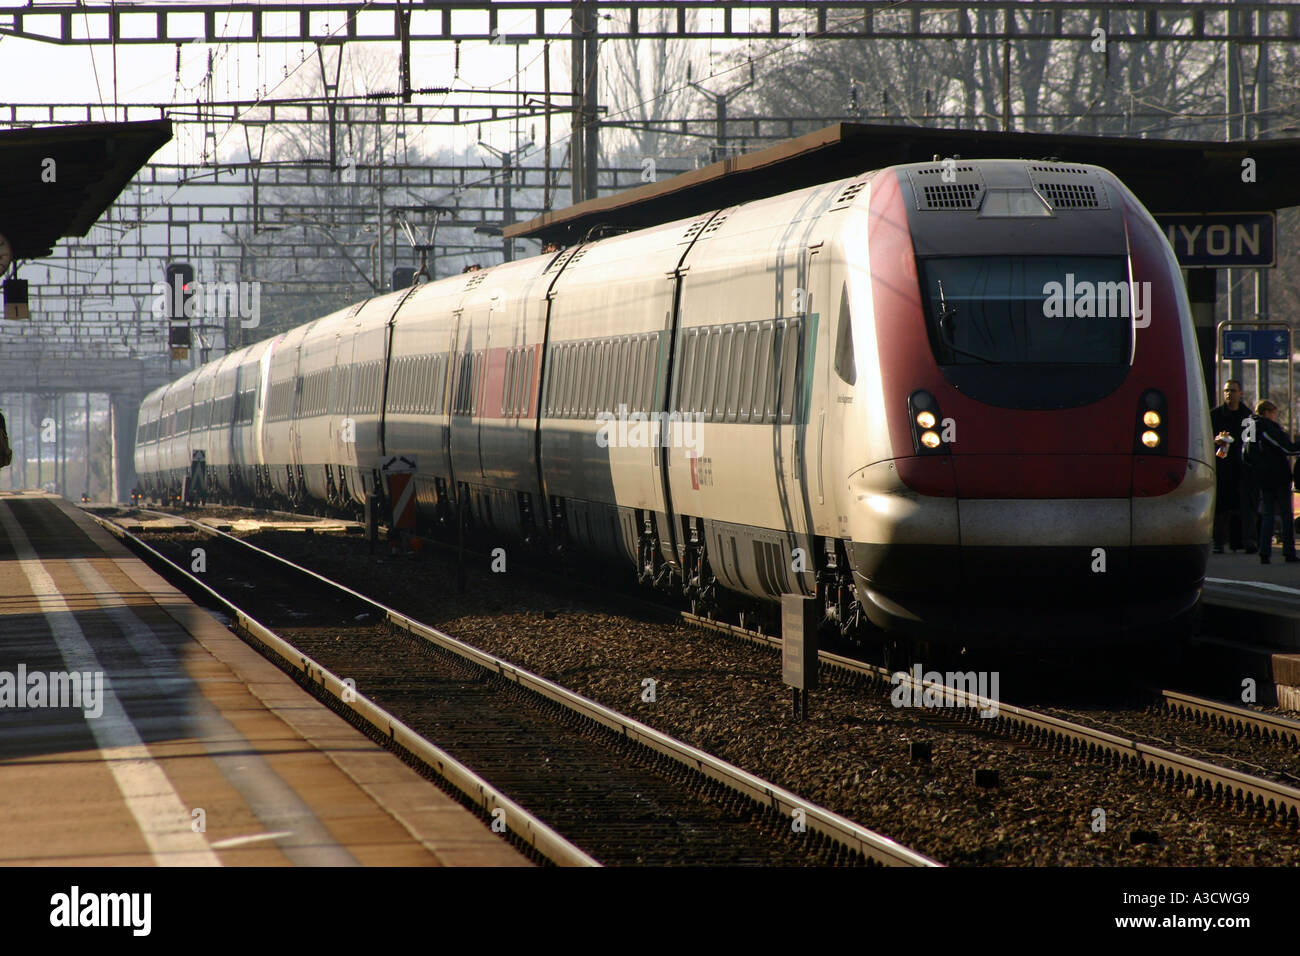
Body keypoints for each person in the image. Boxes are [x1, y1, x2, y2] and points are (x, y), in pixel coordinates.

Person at [1243, 399, 1300, 564]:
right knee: (1285, 515)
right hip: (1277, 476)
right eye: (1274, 412)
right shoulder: (1266, 427)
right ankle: (1288, 552)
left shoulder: (1250, 428)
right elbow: (1287, 448)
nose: (1275, 416)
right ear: (1267, 412)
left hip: (1263, 478)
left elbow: (1246, 455)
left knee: (1267, 514)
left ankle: (1264, 552)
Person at [1211, 380, 1253, 552]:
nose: (1229, 394)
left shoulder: (1247, 416)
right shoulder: (1215, 415)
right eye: (1227, 390)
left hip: (1241, 466)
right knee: (1220, 506)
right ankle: (1218, 542)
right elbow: (1207, 436)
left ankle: (1242, 541)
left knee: (1242, 505)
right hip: (1221, 466)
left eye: (1233, 391)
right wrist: (1217, 440)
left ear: (1240, 393)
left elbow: (1252, 441)